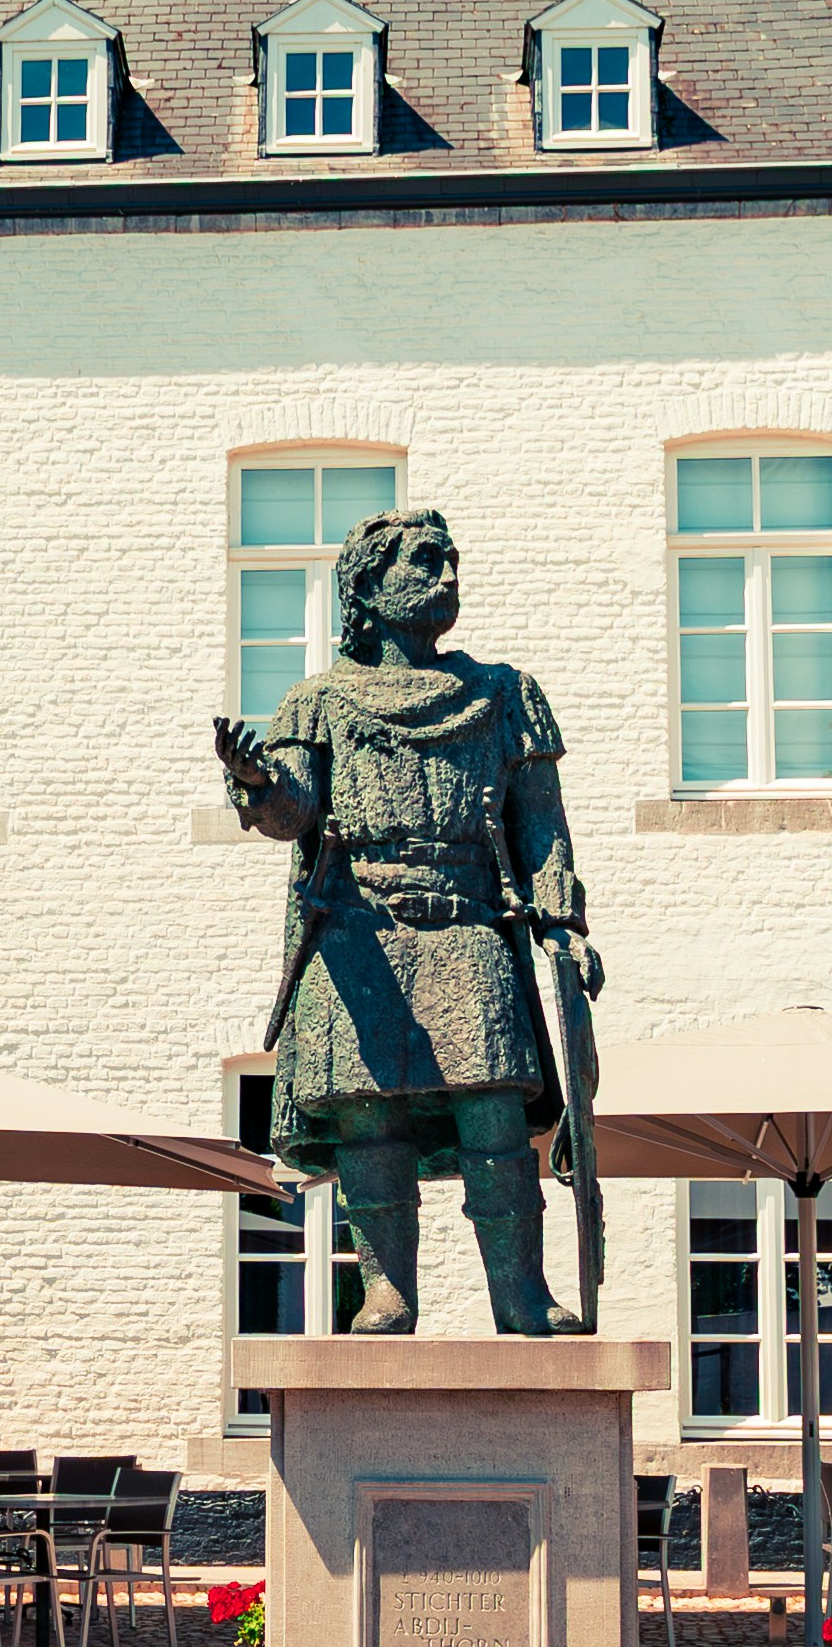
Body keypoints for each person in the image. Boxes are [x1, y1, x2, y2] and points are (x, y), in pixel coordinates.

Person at [208, 508, 598, 1334]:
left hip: (467, 925)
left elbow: (542, 824)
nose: (449, 576)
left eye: (454, 560)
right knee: (368, 1123)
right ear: (370, 585)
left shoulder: (502, 694)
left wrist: (562, 918)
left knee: (494, 1116)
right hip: (359, 933)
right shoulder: (319, 702)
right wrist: (257, 784)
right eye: (427, 561)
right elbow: (294, 810)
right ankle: (388, 1290)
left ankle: (520, 1293)